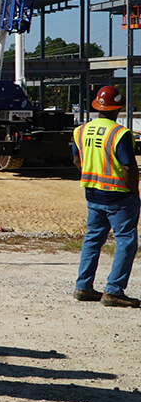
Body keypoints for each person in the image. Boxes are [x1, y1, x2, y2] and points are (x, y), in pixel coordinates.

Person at [71, 85, 140, 308]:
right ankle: (114, 290)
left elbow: (76, 161)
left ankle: (83, 287)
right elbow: (129, 167)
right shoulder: (120, 133)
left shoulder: (80, 130)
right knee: (126, 242)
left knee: (93, 239)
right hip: (119, 196)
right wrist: (135, 192)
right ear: (118, 107)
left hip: (92, 193)